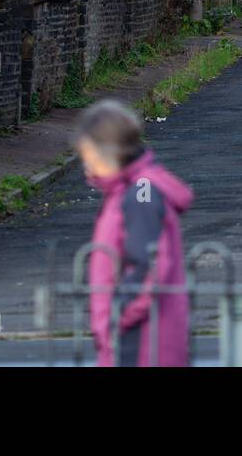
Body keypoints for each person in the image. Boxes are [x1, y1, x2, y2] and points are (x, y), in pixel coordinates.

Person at [75, 99, 193, 367]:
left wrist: (116, 320)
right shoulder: (132, 189)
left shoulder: (139, 194)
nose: (87, 166)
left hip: (139, 342)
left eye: (89, 155)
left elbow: (148, 266)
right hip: (140, 337)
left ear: (106, 151)